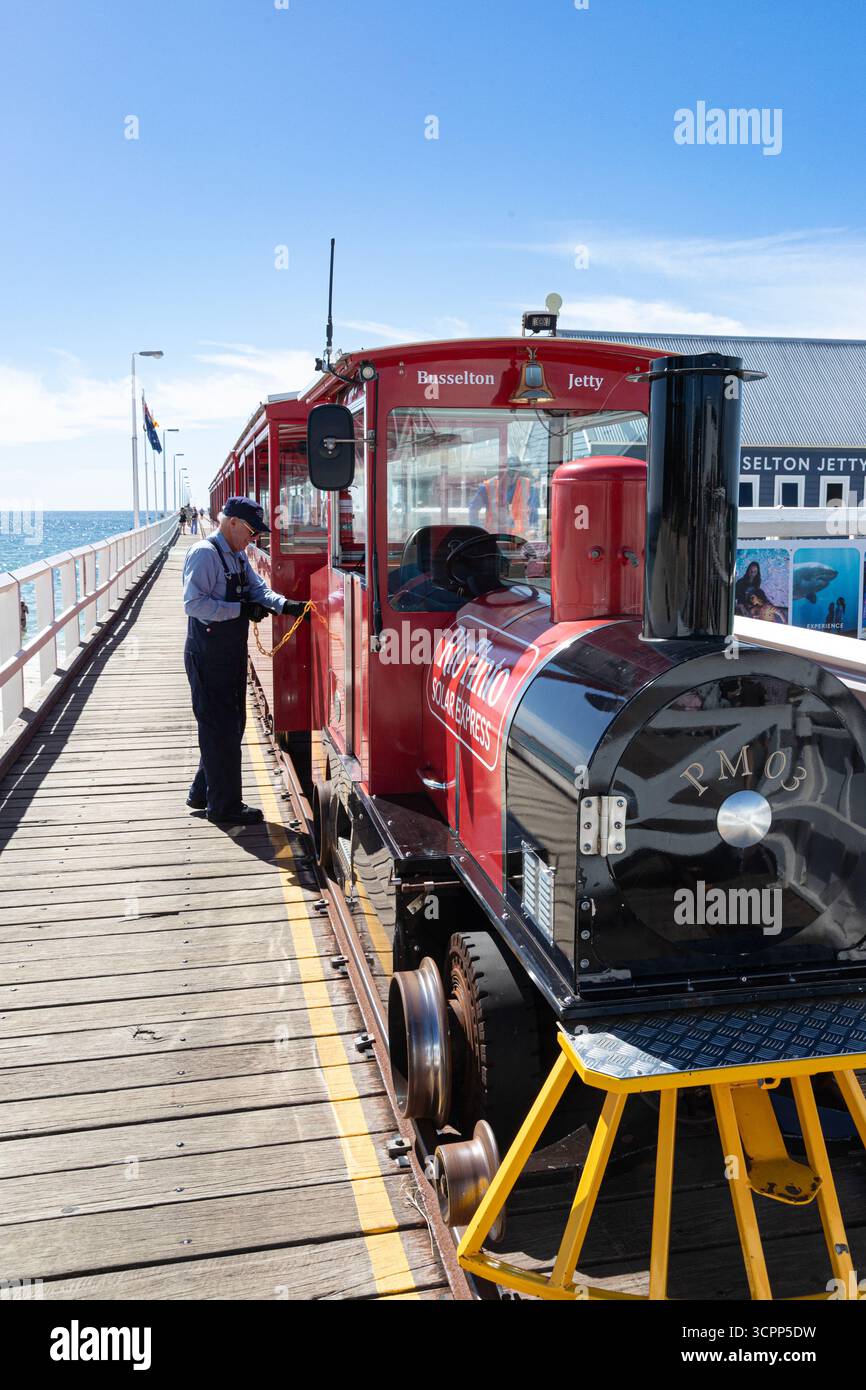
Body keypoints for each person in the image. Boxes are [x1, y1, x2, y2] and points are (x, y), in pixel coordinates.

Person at [182, 497, 308, 826]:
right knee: (218, 729)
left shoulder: (237, 556)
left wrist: (287, 606)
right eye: (251, 532)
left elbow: (256, 589)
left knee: (230, 725)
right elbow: (194, 604)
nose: (254, 540)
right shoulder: (205, 555)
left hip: (230, 653)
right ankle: (224, 807)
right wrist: (240, 610)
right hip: (207, 655)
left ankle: (202, 790)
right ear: (232, 523)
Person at [468, 455, 538, 535]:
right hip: (494, 537)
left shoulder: (527, 485)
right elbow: (473, 509)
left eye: (514, 472)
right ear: (502, 471)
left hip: (519, 538)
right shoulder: (488, 486)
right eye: (509, 472)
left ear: (519, 472)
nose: (511, 476)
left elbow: (533, 510)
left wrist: (533, 528)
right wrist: (478, 531)